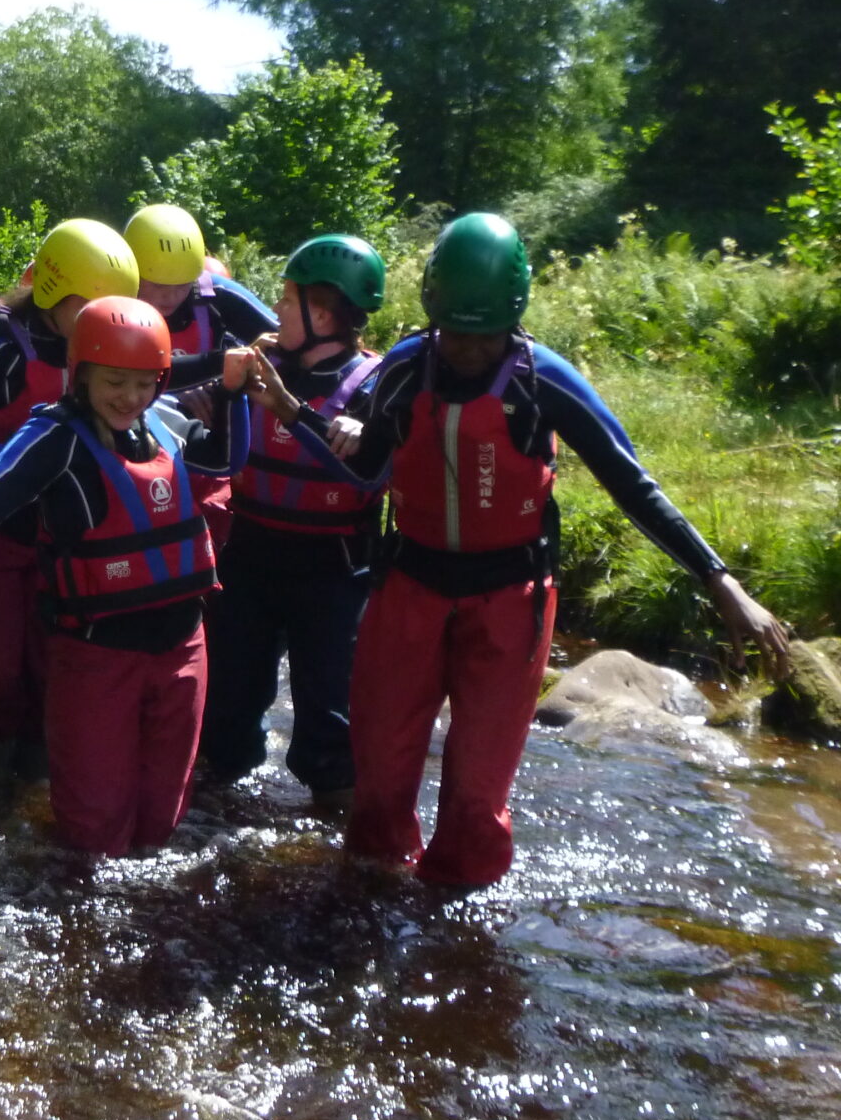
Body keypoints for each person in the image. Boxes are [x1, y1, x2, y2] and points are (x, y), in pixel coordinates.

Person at [329, 213, 795, 888]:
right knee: (377, 778)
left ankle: (458, 936)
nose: (462, 350)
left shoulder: (541, 380)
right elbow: (368, 466)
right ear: (433, 313)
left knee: (474, 800)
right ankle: (370, 899)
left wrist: (721, 580)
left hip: (507, 603)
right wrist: (333, 425)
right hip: (409, 588)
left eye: (480, 337)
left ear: (511, 321)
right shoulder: (403, 369)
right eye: (452, 333)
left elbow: (633, 486)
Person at [0, 297, 297, 854]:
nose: (131, 398)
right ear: (82, 375)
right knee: (93, 832)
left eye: (145, 383)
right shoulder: (56, 437)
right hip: (97, 655)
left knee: (160, 822)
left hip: (181, 651)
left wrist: (236, 395)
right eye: (115, 382)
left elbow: (224, 461)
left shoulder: (162, 422)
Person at [0, 218, 141, 790]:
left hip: (60, 538)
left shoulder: (100, 347)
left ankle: (35, 794)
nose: (103, 318)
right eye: (90, 304)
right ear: (52, 290)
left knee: (52, 670)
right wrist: (30, 471)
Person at [193, 234, 389, 810]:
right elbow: (208, 437)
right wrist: (214, 402)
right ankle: (215, 808)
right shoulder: (258, 362)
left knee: (329, 713)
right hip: (251, 550)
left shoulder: (373, 387)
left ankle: (336, 823)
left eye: (286, 298)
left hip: (332, 566)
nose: (275, 309)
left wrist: (331, 420)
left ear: (322, 313)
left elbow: (374, 472)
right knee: (228, 707)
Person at [123, 205, 274, 554]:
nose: (169, 297)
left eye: (180, 285)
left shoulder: (215, 297)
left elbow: (286, 344)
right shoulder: (110, 299)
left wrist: (222, 391)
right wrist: (174, 392)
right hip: (135, 468)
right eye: (158, 284)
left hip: (205, 469)